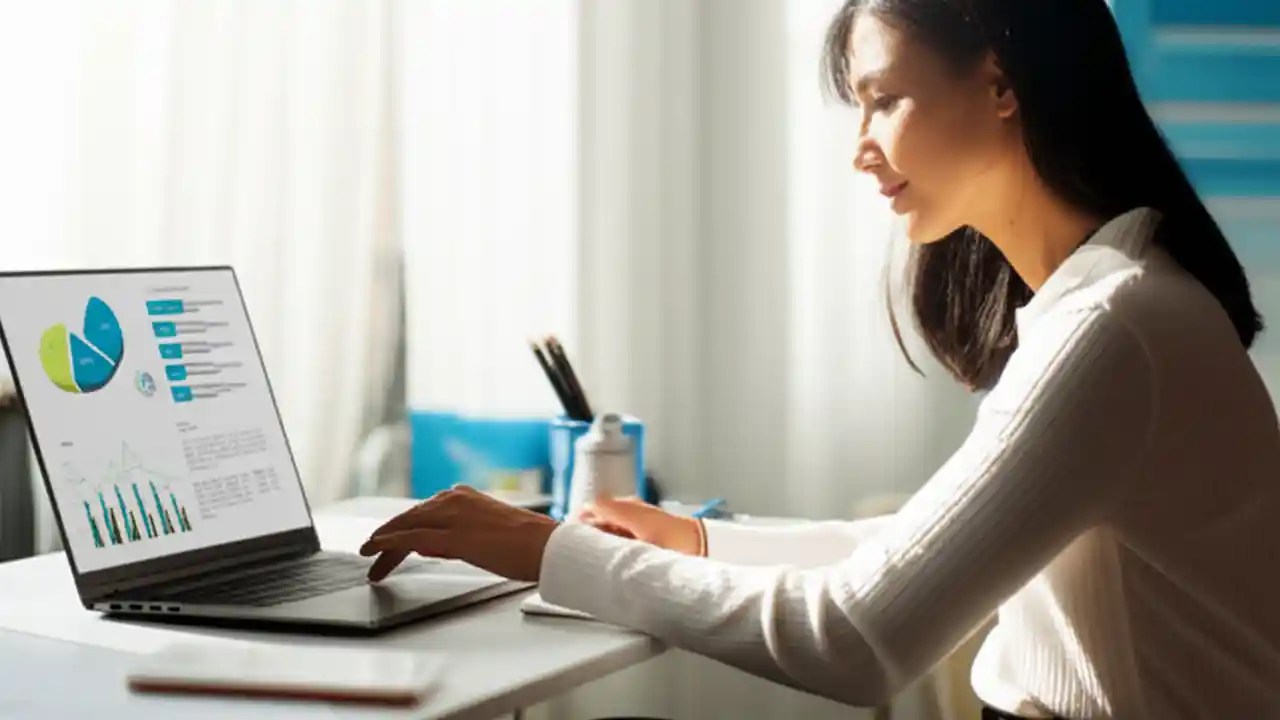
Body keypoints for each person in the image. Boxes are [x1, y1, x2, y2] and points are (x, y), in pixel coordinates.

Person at [359, 1, 1280, 717]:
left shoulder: (1112, 328)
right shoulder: (1108, 300)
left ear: (1002, 83)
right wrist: (705, 539)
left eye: (885, 99)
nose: (861, 150)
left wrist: (549, 550)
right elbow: (918, 544)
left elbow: (858, 637)